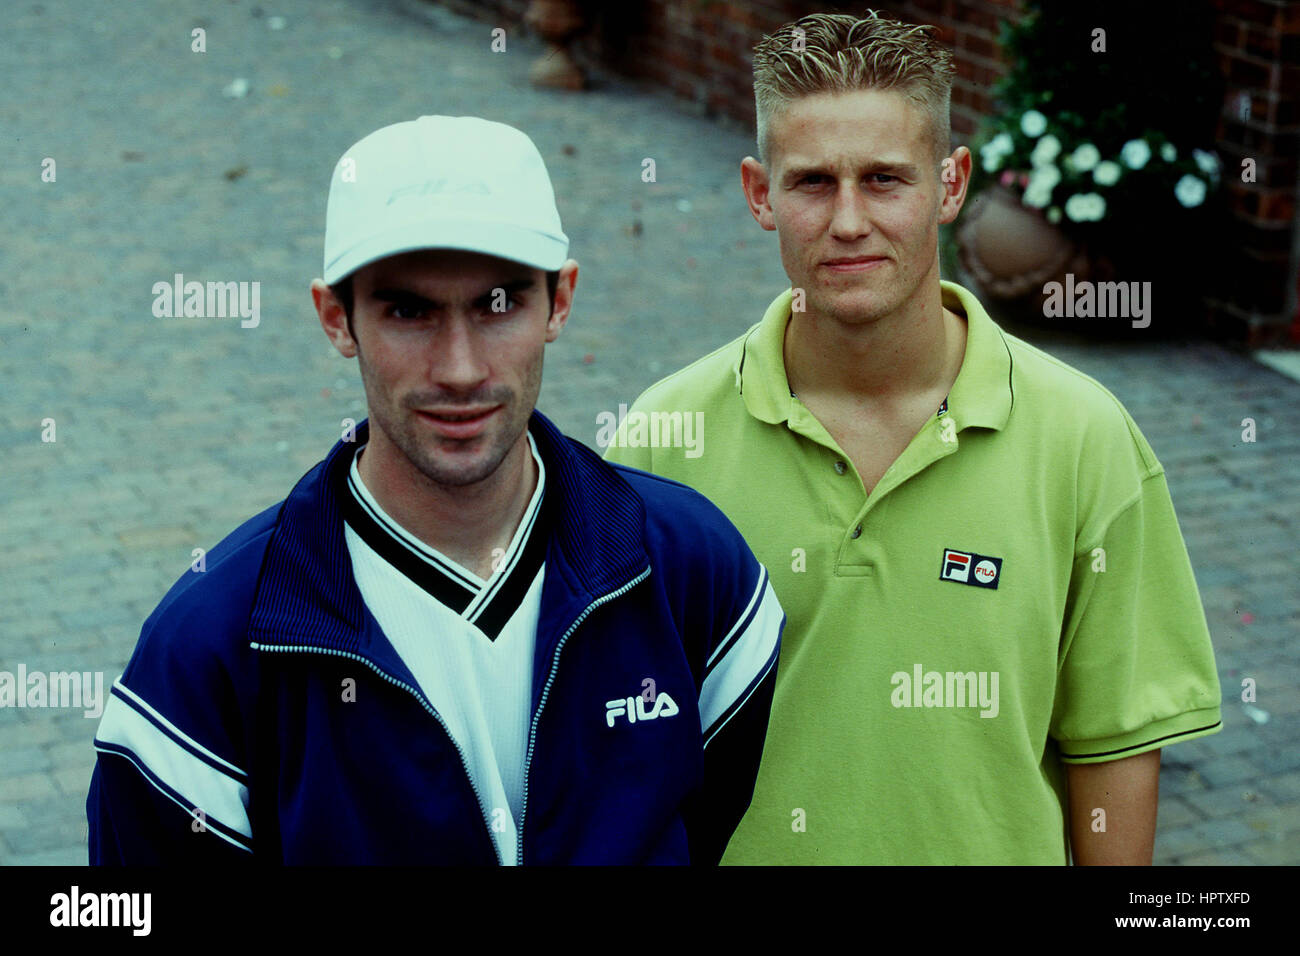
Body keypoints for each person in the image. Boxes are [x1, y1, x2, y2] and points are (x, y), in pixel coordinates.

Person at [604, 13, 1222, 865]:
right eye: (813, 182)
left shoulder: (1085, 438)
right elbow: (618, 746)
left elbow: (1114, 743)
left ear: (951, 183)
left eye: (886, 179)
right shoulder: (657, 444)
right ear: (759, 193)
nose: (849, 220)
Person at [87, 115, 784, 865]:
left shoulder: (694, 572)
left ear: (560, 301)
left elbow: (702, 824)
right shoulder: (211, 649)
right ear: (336, 318)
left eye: (497, 304)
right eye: (408, 311)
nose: (458, 369)